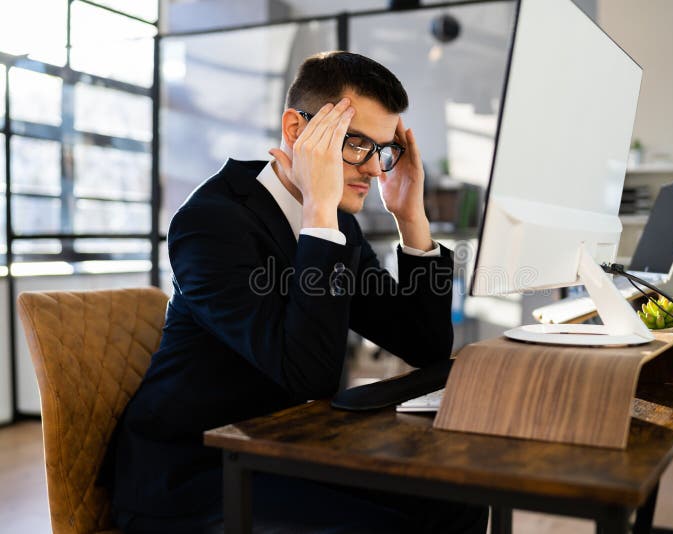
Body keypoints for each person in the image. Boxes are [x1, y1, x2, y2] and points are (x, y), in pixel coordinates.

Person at [100, 51, 489, 533]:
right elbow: (307, 375)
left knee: (460, 496)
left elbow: (425, 346)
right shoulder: (210, 222)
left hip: (284, 450)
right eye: (356, 143)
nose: (373, 168)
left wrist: (412, 218)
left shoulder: (341, 228)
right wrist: (320, 216)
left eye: (383, 150)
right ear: (295, 130)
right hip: (193, 474)